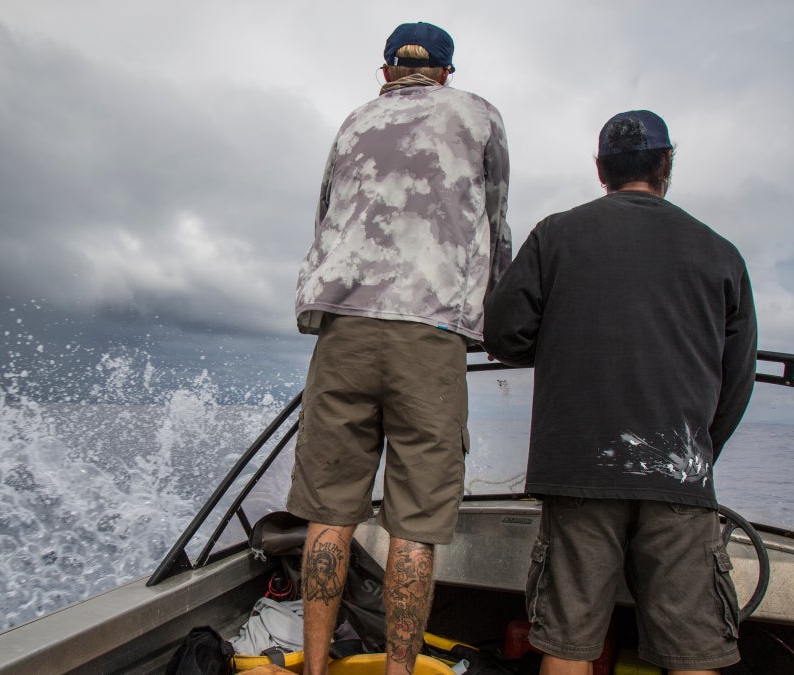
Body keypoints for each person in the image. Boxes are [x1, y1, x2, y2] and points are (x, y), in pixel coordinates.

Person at [481, 110, 758, 674]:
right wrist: (696, 452)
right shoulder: (721, 252)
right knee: (692, 650)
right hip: (680, 472)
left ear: (601, 169)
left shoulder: (556, 234)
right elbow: (738, 379)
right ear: (667, 164)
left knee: (566, 641)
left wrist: (562, 340)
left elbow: (503, 333)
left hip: (579, 467)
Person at [287, 21, 510, 675]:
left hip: (346, 331)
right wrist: (493, 323)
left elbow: (326, 216)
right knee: (414, 526)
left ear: (387, 71)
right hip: (429, 337)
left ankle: (316, 668)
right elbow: (495, 229)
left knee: (329, 515)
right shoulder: (477, 120)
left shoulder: (352, 124)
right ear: (445, 72)